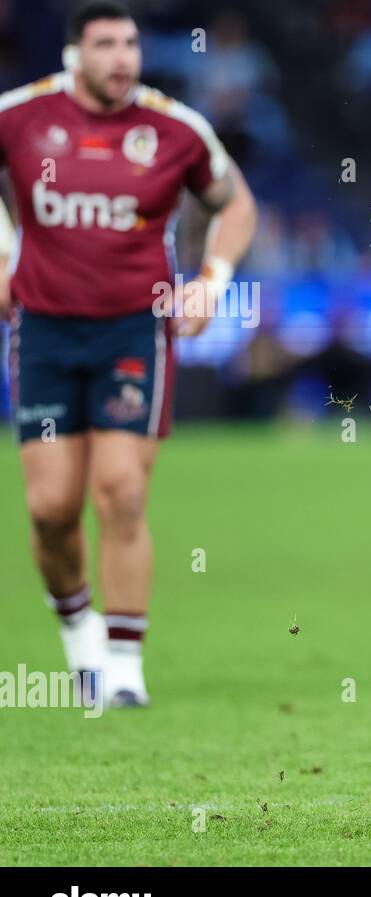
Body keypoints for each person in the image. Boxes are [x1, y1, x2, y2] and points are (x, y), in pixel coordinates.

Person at [0, 1, 257, 706]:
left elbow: (235, 204)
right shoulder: (20, 117)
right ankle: (78, 634)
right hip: (45, 330)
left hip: (133, 332)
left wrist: (212, 279)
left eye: (131, 44)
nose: (122, 58)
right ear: (73, 54)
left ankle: (122, 671)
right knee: (52, 509)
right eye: (106, 44)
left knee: (120, 490)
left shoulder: (172, 127)